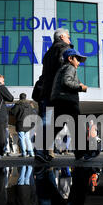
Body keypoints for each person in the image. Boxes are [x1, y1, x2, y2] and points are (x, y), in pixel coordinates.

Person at [49, 48, 95, 161]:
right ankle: (84, 152)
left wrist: (78, 83)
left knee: (56, 126)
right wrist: (80, 87)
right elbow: (66, 81)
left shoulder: (61, 69)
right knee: (78, 126)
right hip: (68, 101)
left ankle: (43, 149)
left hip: (59, 100)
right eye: (77, 59)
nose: (79, 62)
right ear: (70, 59)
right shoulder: (70, 67)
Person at [34, 28, 73, 163]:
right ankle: (43, 149)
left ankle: (45, 150)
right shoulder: (64, 48)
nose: (70, 39)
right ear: (62, 37)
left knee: (48, 120)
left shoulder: (48, 53)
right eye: (68, 36)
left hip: (46, 91)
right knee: (61, 120)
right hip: (56, 92)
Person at [10, 93, 35, 157]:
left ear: (20, 97)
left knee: (21, 138)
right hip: (28, 123)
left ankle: (24, 153)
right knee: (27, 138)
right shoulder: (29, 105)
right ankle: (31, 152)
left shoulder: (18, 104)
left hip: (20, 123)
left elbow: (12, 112)